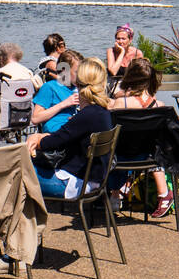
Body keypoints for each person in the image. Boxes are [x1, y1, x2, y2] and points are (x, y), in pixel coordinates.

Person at [27, 57, 114, 199]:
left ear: (78, 84)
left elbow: (50, 144)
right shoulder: (102, 112)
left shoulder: (86, 115)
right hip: (94, 180)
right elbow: (63, 137)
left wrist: (36, 138)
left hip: (71, 183)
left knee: (18, 169)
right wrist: (43, 138)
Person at [108, 59, 174, 217]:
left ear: (129, 78)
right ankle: (163, 193)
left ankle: (115, 194)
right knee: (152, 145)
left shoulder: (121, 103)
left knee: (112, 147)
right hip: (150, 157)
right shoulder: (160, 105)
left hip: (122, 157)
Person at [32, 49, 82, 134]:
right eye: (77, 72)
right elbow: (35, 118)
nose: (81, 75)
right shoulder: (50, 87)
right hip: (56, 133)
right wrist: (64, 104)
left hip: (74, 128)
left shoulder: (79, 87)